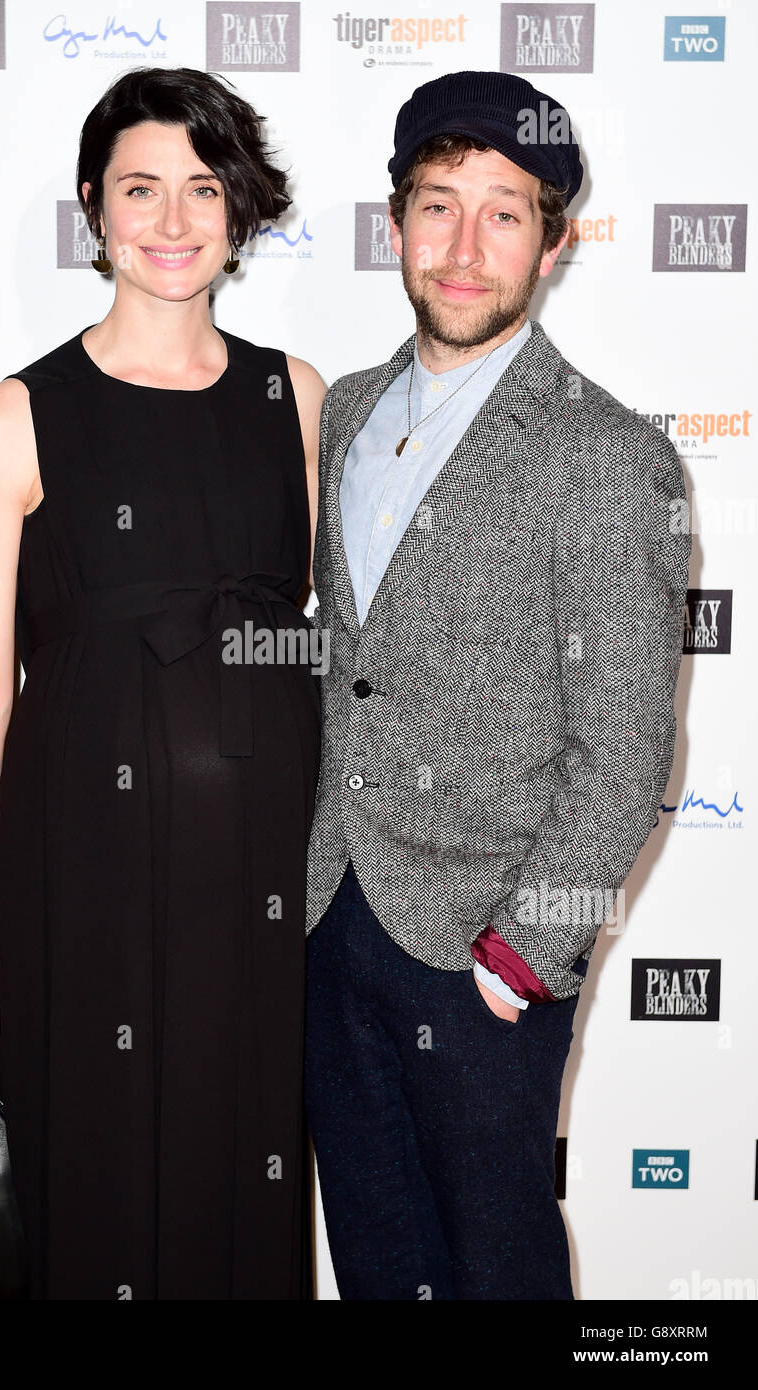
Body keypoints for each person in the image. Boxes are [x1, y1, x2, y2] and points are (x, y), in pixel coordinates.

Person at [0, 65, 325, 1300]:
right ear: (94, 205)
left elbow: (327, 655)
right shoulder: (13, 419)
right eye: (140, 188)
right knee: (95, 1191)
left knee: (244, 1192)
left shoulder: (294, 397)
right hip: (79, 884)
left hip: (261, 892)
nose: (172, 220)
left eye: (203, 189)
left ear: (240, 208)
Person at [304, 70, 690, 1300]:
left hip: (482, 953)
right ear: (395, 223)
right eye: (436, 206)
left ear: (554, 240)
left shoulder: (606, 454)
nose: (463, 247)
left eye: (503, 212)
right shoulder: (342, 414)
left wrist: (522, 952)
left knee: (498, 1268)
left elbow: (627, 745)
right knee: (377, 1260)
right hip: (328, 917)